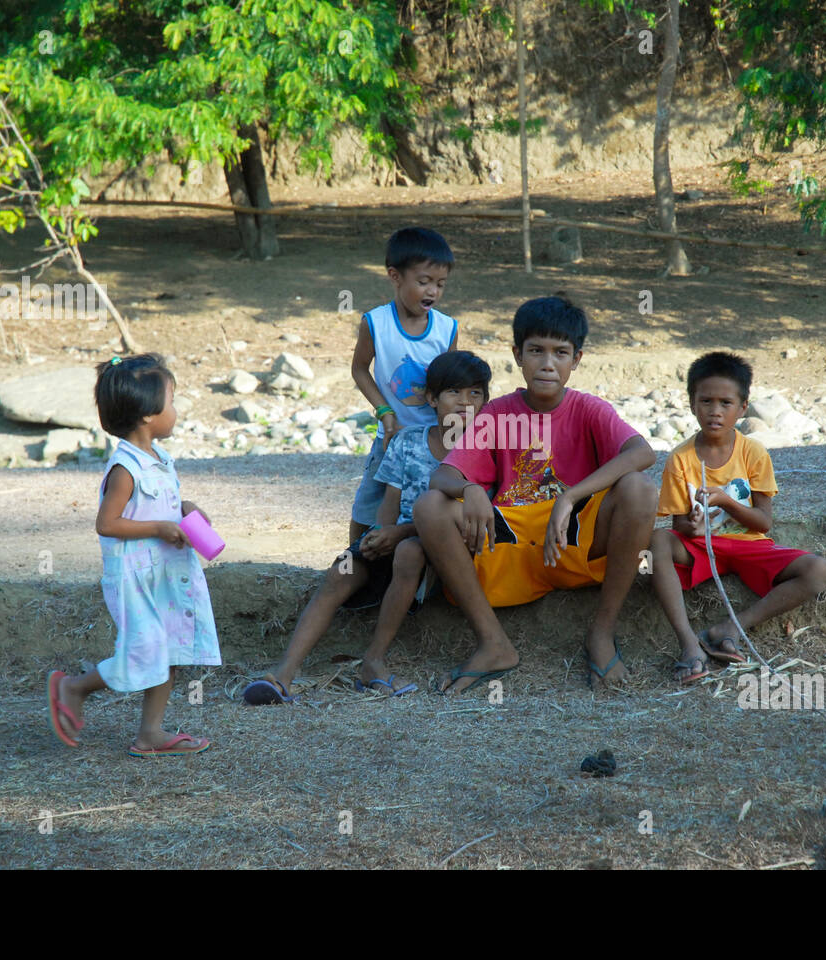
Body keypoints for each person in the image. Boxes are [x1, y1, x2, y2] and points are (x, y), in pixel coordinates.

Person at [414, 296, 658, 693]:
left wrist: (569, 497)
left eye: (560, 352)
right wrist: (470, 487)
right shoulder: (496, 414)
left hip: (574, 540)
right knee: (430, 507)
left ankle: (602, 633)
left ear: (576, 359)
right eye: (536, 351)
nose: (548, 363)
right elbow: (442, 475)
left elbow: (642, 453)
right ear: (517, 355)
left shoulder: (588, 410)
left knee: (640, 490)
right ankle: (493, 644)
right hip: (511, 543)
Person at [243, 352, 492, 704]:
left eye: (476, 394)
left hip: (439, 551)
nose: (465, 403)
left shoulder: (484, 451)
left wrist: (399, 534)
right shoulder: (408, 442)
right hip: (394, 538)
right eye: (454, 392)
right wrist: (377, 535)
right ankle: (283, 674)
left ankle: (373, 662)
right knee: (341, 569)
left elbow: (469, 520)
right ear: (432, 398)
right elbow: (391, 502)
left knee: (409, 550)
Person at [47, 354, 220, 756]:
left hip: (166, 573)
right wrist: (161, 528)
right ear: (146, 415)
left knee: (170, 649)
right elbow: (107, 523)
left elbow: (160, 506)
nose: (176, 411)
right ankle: (73, 686)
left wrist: (185, 510)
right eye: (171, 402)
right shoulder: (125, 468)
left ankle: (150, 734)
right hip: (136, 578)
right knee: (144, 651)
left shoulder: (159, 459)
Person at [648, 351, 826, 684]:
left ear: (743, 407)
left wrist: (724, 502)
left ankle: (730, 627)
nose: (715, 411)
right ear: (692, 404)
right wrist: (693, 527)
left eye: (725, 403)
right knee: (657, 540)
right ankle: (689, 644)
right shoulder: (680, 459)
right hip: (703, 547)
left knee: (818, 570)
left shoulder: (753, 453)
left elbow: (763, 522)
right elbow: (678, 526)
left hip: (748, 544)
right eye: (706, 401)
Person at [348, 227, 458, 553]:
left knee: (422, 503)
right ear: (395, 276)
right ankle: (353, 562)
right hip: (392, 435)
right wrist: (384, 412)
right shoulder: (375, 323)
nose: (433, 292)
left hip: (433, 440)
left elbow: (452, 385)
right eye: (423, 281)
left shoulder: (446, 328)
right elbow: (359, 369)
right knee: (369, 501)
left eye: (440, 284)